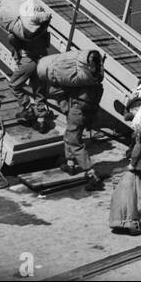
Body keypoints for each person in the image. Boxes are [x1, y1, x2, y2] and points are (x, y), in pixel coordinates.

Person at [54, 50, 105, 191]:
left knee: (74, 142)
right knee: (69, 135)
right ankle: (70, 164)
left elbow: (61, 89)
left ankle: (91, 174)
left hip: (77, 112)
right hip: (88, 112)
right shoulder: (97, 80)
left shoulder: (82, 79)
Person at [7, 4, 53, 126]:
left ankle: (28, 109)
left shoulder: (26, 29)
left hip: (29, 61)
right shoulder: (43, 29)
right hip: (43, 61)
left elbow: (11, 38)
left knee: (14, 85)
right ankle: (41, 118)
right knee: (39, 90)